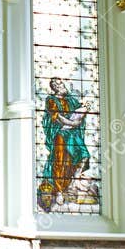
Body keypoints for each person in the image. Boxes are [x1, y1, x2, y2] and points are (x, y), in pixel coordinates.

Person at [38, 77, 90, 209]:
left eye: (61, 83)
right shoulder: (51, 100)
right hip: (60, 133)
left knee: (83, 154)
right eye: (58, 84)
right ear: (54, 87)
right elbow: (57, 117)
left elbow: (79, 110)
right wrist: (71, 123)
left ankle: (75, 179)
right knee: (60, 160)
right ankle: (60, 190)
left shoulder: (70, 99)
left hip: (72, 133)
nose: (61, 85)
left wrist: (85, 107)